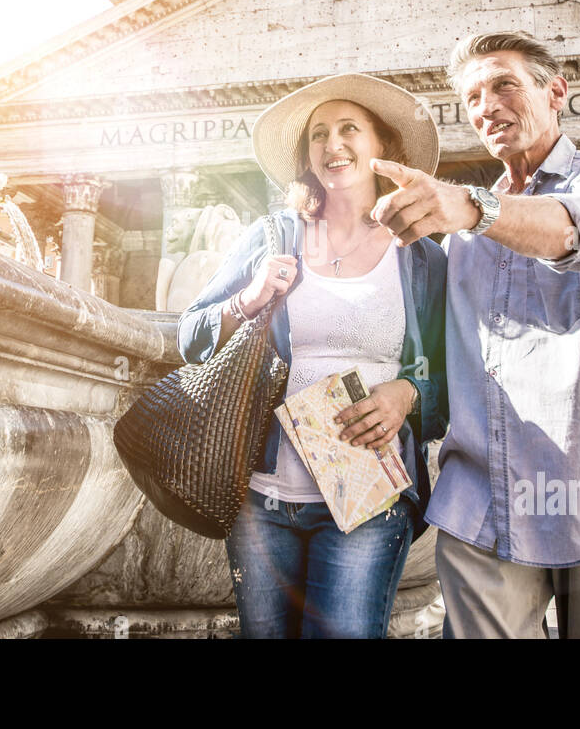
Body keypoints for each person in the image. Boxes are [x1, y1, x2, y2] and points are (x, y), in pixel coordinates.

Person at [367, 30, 580, 639]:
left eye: (503, 85)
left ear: (555, 94)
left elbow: (575, 233)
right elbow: (435, 360)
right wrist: (405, 391)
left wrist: (472, 209)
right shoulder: (462, 239)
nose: (486, 106)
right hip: (485, 496)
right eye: (471, 99)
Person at [177, 73, 449, 639]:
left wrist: (409, 393)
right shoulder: (273, 235)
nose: (333, 144)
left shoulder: (422, 258)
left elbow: (457, 378)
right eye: (318, 134)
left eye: (350, 129)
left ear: (381, 147)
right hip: (261, 497)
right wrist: (250, 299)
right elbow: (192, 337)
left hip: (369, 496)